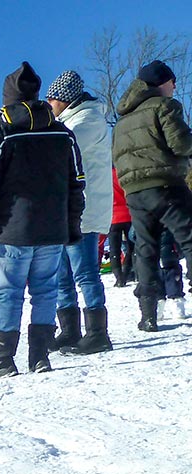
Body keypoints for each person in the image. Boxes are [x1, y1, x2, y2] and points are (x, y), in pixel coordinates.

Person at [0, 61, 85, 378]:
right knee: (45, 291)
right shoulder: (63, 133)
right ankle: (40, 356)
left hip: (13, 231)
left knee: (10, 293)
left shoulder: (1, 132)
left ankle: (4, 358)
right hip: (53, 231)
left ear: (8, 98)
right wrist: (73, 226)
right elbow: (76, 186)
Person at [112, 59, 192, 332]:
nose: (175, 86)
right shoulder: (165, 106)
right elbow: (180, 144)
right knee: (190, 237)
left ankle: (148, 314)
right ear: (161, 83)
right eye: (172, 81)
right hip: (166, 185)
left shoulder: (122, 120)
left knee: (145, 249)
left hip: (134, 192)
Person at [45, 70, 114, 355]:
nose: (48, 103)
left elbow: (62, 147)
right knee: (61, 274)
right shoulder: (67, 121)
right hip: (64, 211)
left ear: (64, 99)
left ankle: (98, 333)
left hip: (84, 210)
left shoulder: (88, 120)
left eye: (52, 99)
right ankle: (70, 330)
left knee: (85, 272)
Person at [107, 170, 135, 287]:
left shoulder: (105, 175)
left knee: (114, 249)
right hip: (128, 213)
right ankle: (128, 272)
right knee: (131, 247)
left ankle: (119, 277)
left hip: (112, 216)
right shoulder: (123, 173)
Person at [159, 229, 186, 318]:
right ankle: (178, 309)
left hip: (153, 256)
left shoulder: (146, 219)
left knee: (155, 284)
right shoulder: (170, 219)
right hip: (171, 256)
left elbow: (133, 235)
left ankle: (157, 310)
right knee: (174, 282)